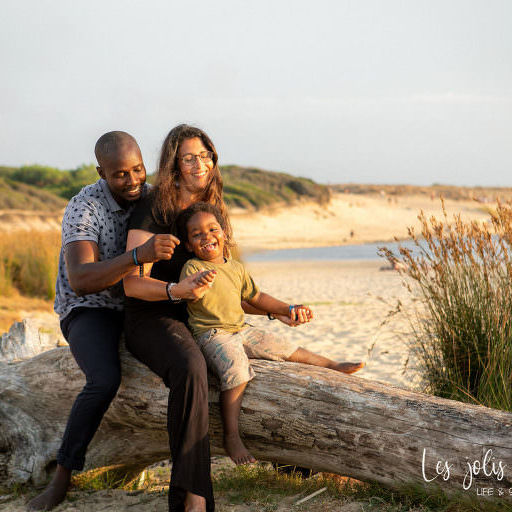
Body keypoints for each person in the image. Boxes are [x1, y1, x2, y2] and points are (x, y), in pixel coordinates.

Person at [27, 131, 181, 511]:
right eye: (120, 174)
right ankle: (62, 478)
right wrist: (138, 256)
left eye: (138, 169)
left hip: (137, 304)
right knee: (104, 380)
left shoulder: (153, 198)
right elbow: (80, 279)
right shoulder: (84, 207)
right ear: (101, 172)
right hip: (89, 308)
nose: (132, 180)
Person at [177, 202, 365, 466]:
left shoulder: (236, 268)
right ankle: (231, 436)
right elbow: (189, 291)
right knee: (237, 370)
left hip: (241, 329)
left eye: (212, 229)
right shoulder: (193, 268)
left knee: (282, 346)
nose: (206, 236)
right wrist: (198, 284)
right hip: (212, 334)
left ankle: (332, 365)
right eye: (197, 234)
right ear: (189, 245)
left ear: (224, 234)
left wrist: (287, 309)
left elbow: (256, 297)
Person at [123, 124, 230, 512]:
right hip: (150, 315)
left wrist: (278, 310)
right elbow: (132, 284)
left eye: (205, 155)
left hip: (194, 315)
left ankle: (294, 467)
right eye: (189, 158)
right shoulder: (155, 208)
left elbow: (227, 278)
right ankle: (192, 500)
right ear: (174, 164)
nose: (200, 164)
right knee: (190, 366)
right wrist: (175, 291)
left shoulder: (213, 210)